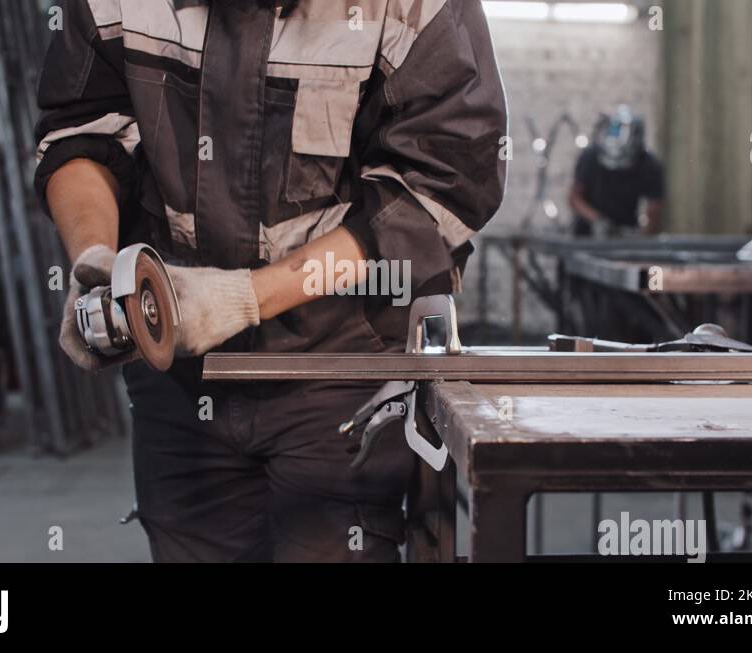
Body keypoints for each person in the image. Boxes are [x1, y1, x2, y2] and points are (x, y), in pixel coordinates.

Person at [34, 0, 507, 562]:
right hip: (180, 383)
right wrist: (96, 255)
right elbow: (82, 131)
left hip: (342, 378)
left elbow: (441, 184)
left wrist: (242, 300)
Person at [569, 105, 664, 238]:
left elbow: (654, 210)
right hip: (586, 233)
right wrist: (596, 220)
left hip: (627, 230)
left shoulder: (650, 166)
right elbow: (574, 198)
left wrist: (642, 237)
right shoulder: (590, 157)